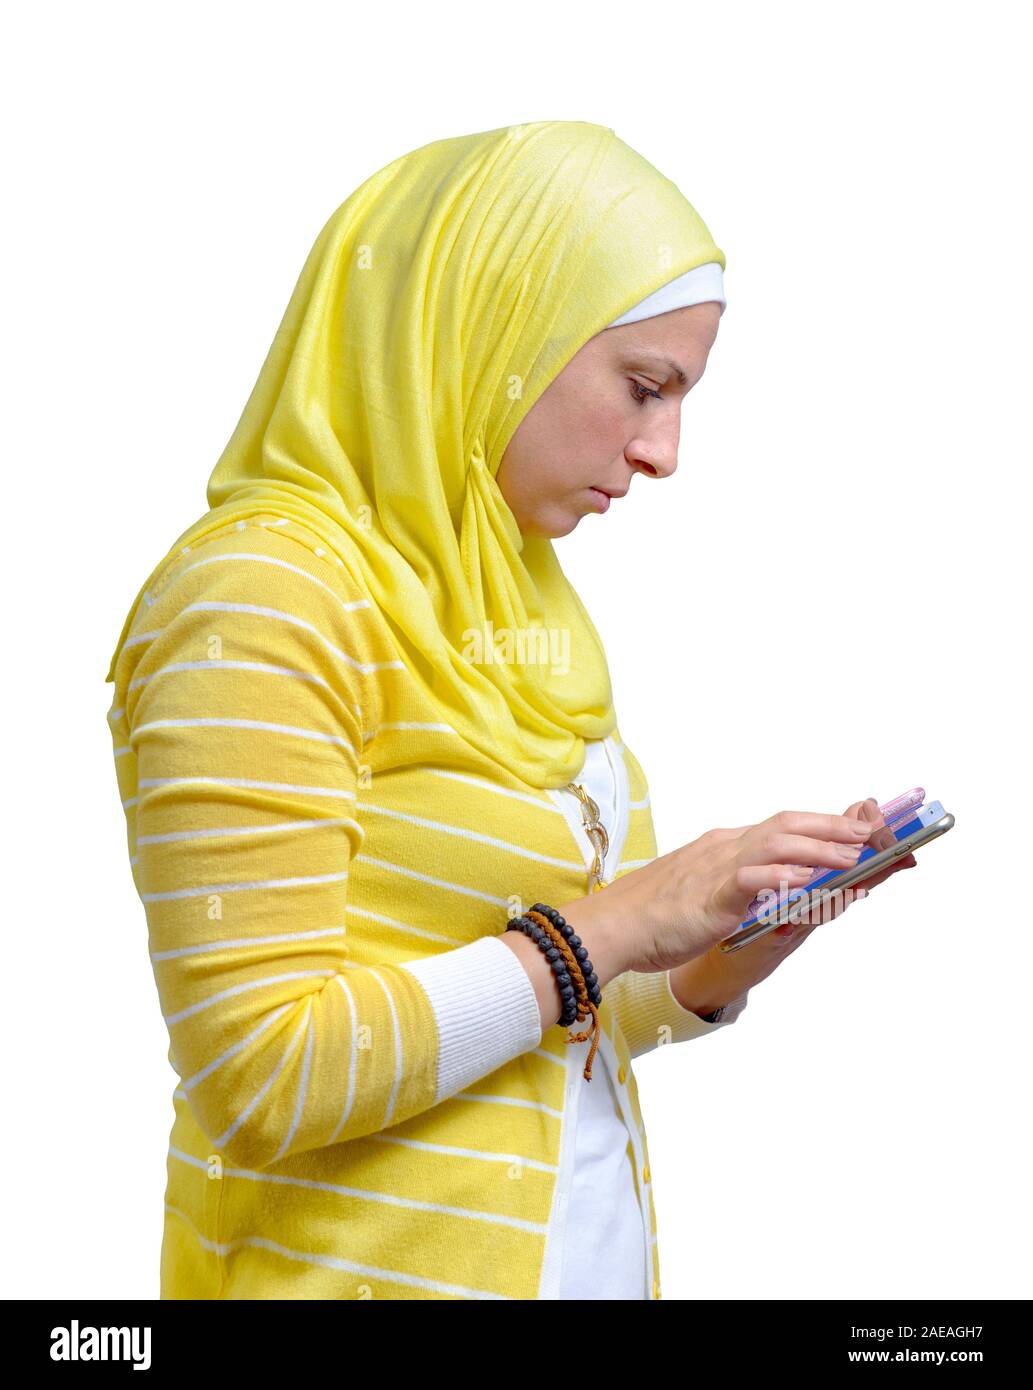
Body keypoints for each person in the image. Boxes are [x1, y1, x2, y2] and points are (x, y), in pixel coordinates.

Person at [104, 120, 915, 1301]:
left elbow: (575, 1010)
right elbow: (261, 1073)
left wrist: (729, 941)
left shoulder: (521, 611)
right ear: (490, 329)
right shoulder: (262, 597)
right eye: (644, 388)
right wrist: (630, 916)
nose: (664, 452)